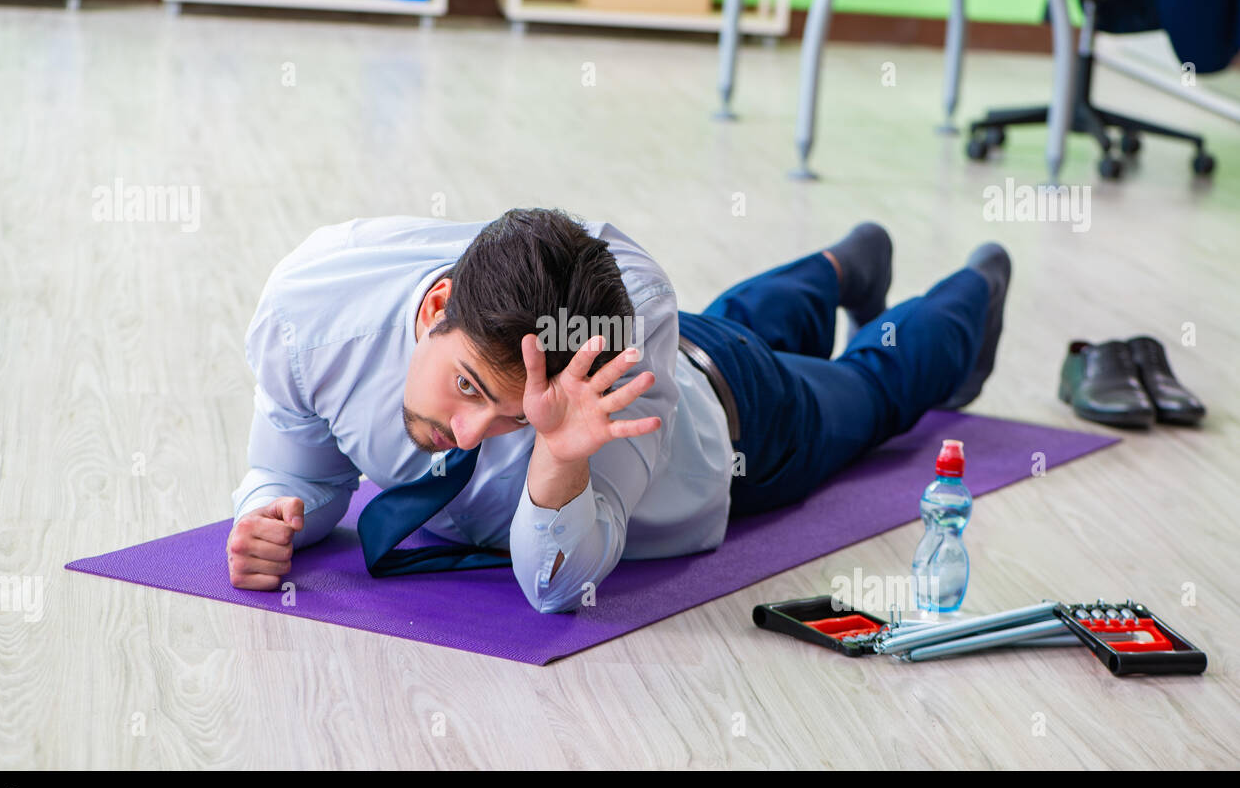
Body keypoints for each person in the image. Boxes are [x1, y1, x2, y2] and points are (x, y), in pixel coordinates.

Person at [226, 208, 1010, 613]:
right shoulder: (316, 306)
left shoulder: (627, 331)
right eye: (468, 386)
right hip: (683, 343)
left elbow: (556, 588)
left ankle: (974, 288)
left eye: (512, 417)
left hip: (745, 423)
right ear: (437, 305)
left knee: (871, 384)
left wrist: (562, 453)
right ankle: (843, 265)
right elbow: (292, 464)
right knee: (735, 318)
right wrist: (272, 509)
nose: (465, 437)